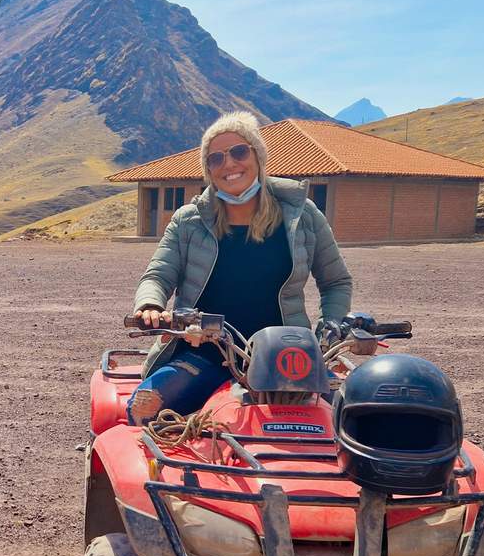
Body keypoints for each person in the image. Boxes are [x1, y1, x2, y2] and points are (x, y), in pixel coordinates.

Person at [128, 110, 353, 424]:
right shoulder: (188, 221)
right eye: (216, 158)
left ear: (258, 156)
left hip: (288, 357)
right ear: (208, 170)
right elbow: (158, 275)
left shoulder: (303, 216)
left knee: (355, 416)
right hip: (204, 352)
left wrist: (330, 328)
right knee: (142, 409)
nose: (229, 164)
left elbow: (336, 282)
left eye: (238, 152)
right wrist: (150, 305)